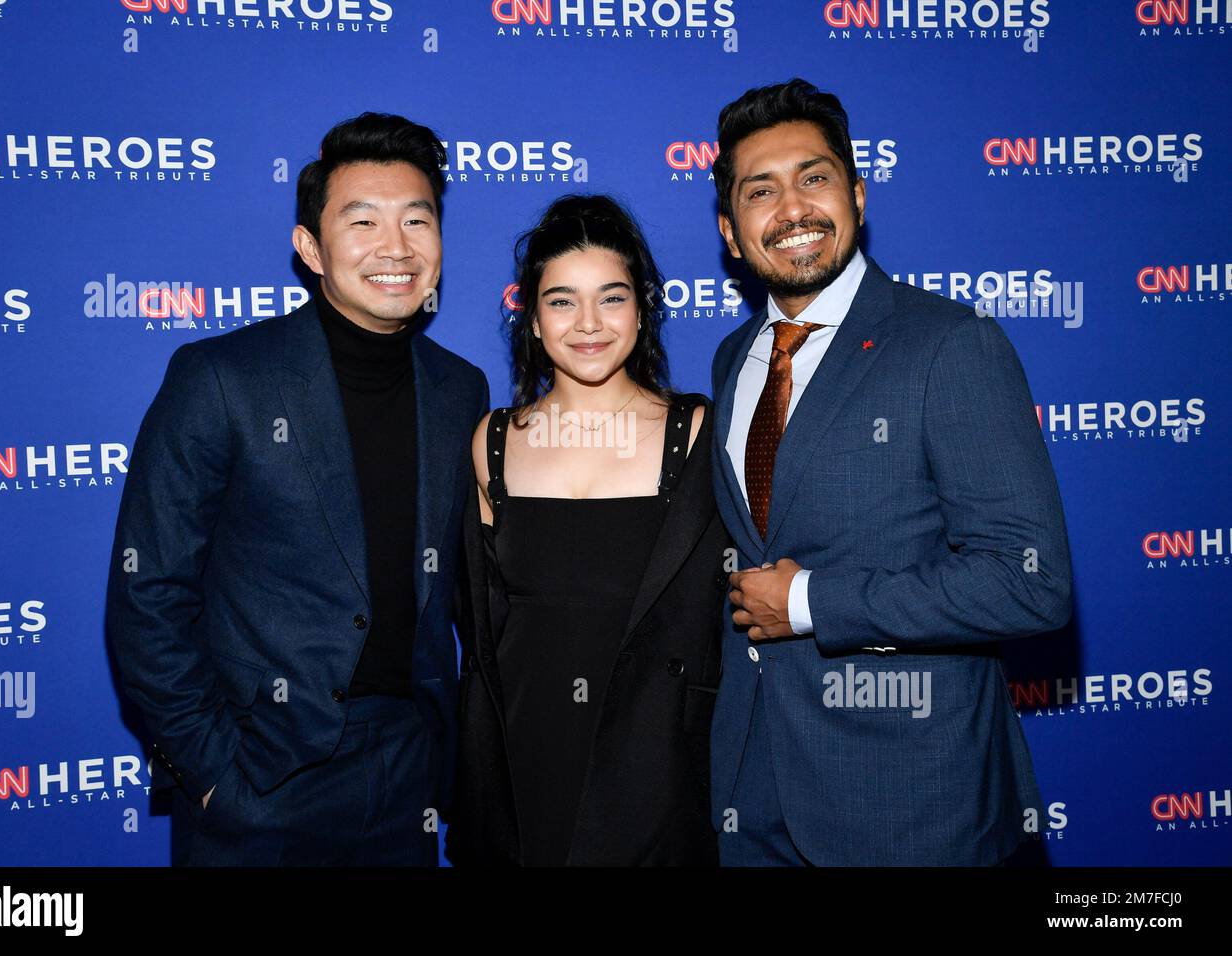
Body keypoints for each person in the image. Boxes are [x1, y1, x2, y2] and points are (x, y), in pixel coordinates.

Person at [105, 112, 489, 866]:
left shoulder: (460, 390)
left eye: (419, 219)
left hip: (408, 776)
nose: (396, 247)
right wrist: (213, 774)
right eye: (363, 221)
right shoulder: (221, 379)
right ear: (310, 248)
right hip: (261, 775)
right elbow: (147, 593)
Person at [707, 78, 1073, 866]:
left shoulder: (950, 345)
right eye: (759, 191)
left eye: (815, 178)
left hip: (913, 805)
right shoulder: (733, 359)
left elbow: (1027, 581)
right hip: (755, 794)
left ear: (859, 195)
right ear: (731, 234)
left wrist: (809, 601)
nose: (793, 209)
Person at [447, 194, 731, 866]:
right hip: (524, 769)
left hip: (661, 778)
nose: (589, 324)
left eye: (611, 297)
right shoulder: (492, 442)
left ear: (641, 309)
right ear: (533, 319)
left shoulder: (697, 435)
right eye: (562, 301)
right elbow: (483, 634)